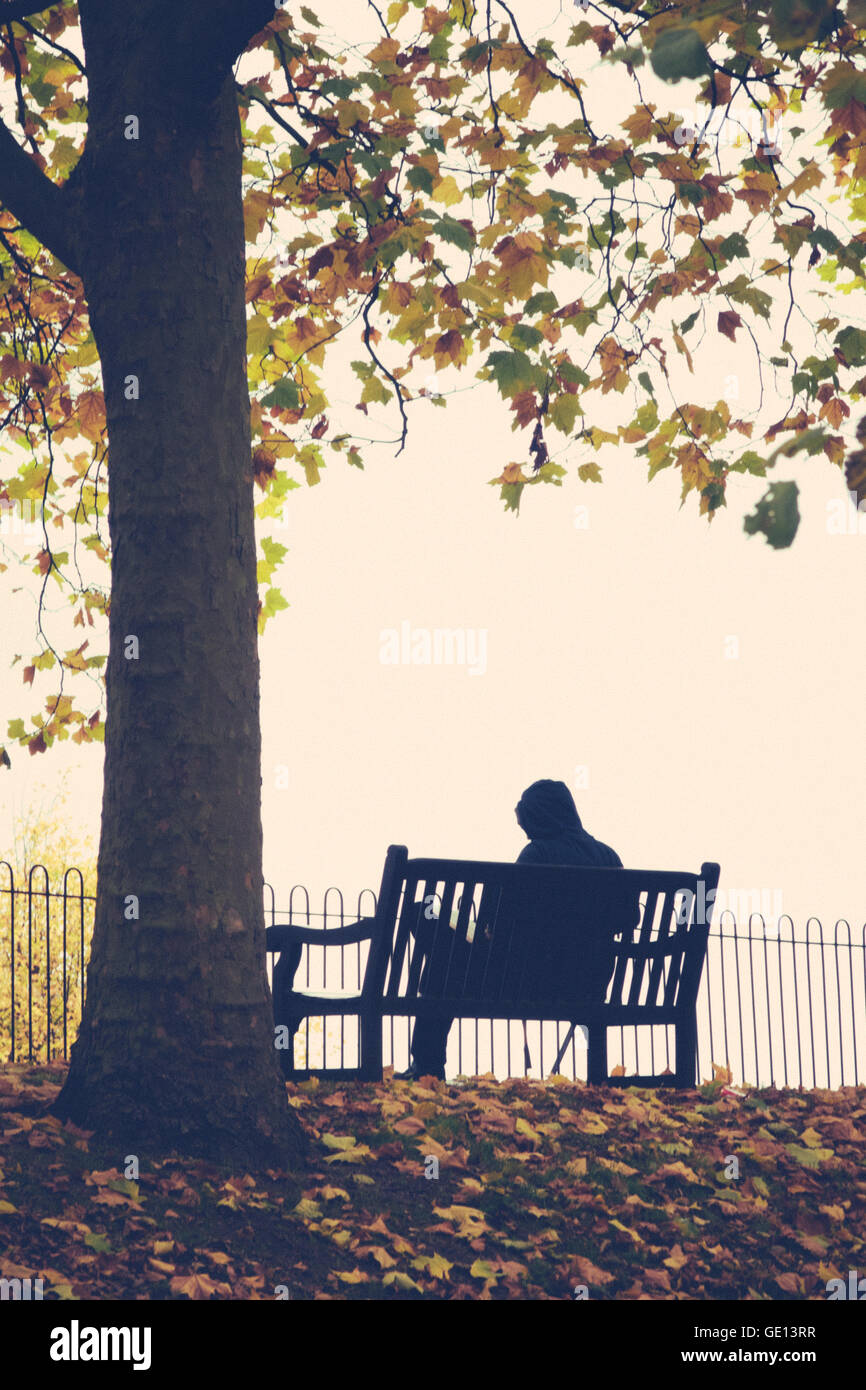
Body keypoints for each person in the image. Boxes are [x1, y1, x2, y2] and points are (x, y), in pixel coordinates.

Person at [397, 779, 625, 1081]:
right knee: (444, 954)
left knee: (443, 959)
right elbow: (627, 919)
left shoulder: (536, 856)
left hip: (522, 983)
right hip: (587, 985)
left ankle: (426, 1066)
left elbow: (500, 926)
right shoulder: (608, 857)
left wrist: (483, 934)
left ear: (541, 817)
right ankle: (598, 1077)